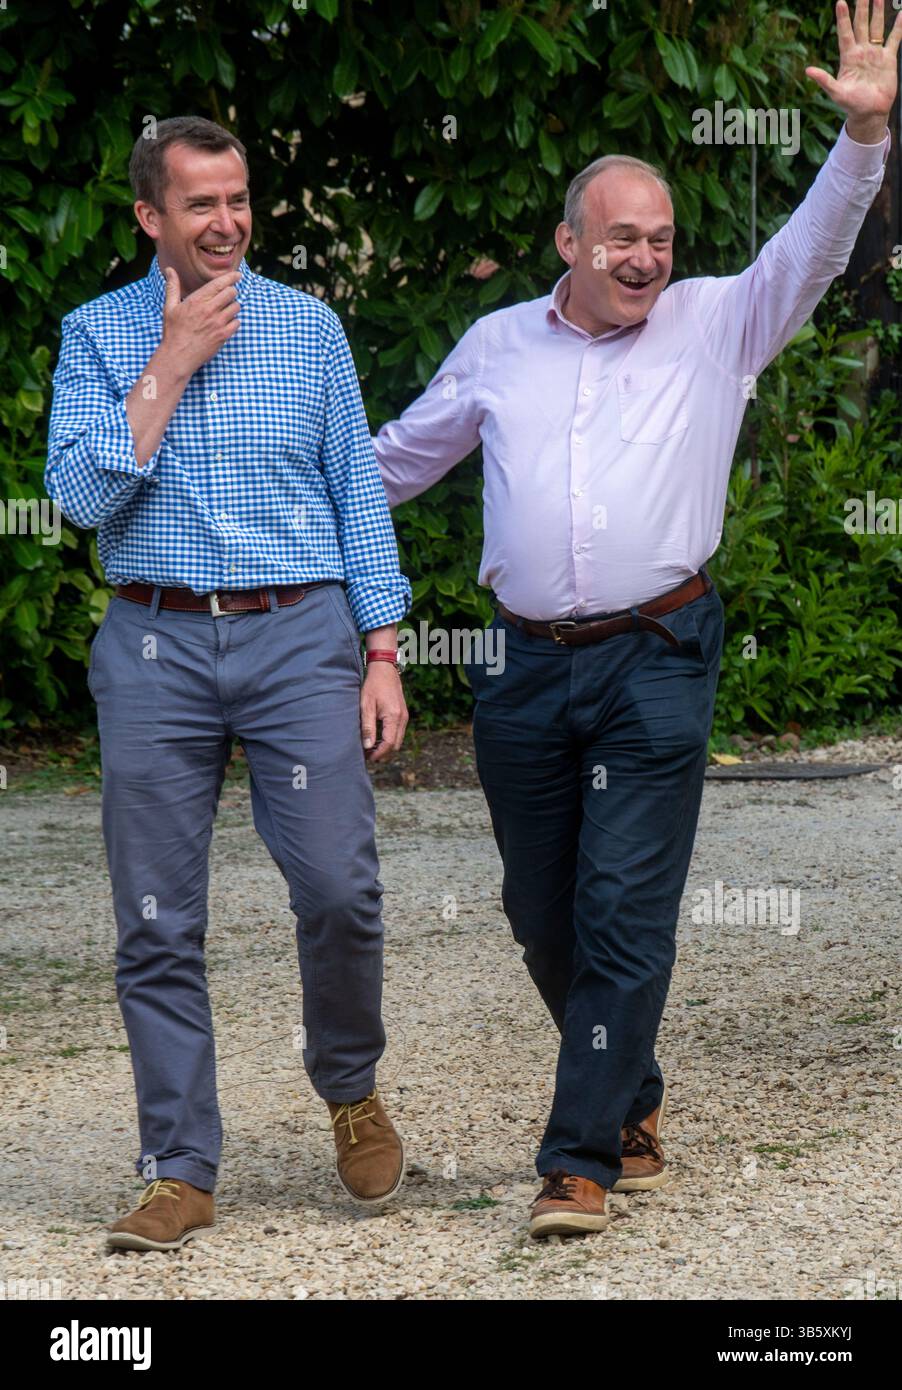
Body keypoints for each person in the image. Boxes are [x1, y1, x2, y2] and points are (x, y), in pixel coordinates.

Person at [373, 0, 899, 1238]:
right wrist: (248, 481)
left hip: (657, 655)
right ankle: (631, 1092)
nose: (644, 256)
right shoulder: (497, 344)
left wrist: (864, 138)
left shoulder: (720, 324)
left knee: (620, 903)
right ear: (567, 239)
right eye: (619, 236)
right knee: (536, 907)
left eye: (658, 237)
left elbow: (813, 250)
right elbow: (389, 463)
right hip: (519, 667)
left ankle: (579, 1160)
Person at [45, 115, 411, 1251]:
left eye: (238, 199)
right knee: (155, 921)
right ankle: (179, 1167)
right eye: (199, 204)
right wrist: (170, 363)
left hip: (298, 635)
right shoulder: (99, 334)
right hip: (152, 644)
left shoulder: (308, 329)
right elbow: (78, 500)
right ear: (150, 216)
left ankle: (349, 1087)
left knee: (339, 886)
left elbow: (358, 490)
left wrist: (384, 647)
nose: (225, 222)